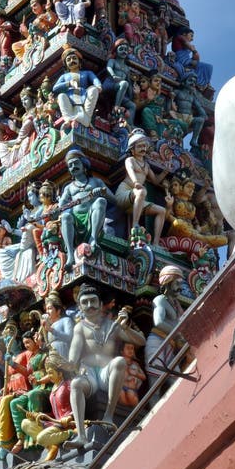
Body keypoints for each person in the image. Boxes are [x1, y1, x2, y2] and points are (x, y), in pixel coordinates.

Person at [67, 285, 146, 448]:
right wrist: (70, 365)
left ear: (100, 303)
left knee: (119, 362)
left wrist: (125, 327)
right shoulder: (80, 328)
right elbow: (72, 357)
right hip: (88, 373)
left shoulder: (111, 325)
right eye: (85, 302)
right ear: (80, 307)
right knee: (75, 384)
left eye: (93, 301)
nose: (90, 306)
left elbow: (141, 341)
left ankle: (108, 416)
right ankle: (81, 435)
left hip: (106, 373)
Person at [59, 148, 113, 267]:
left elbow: (113, 199)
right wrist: (59, 208)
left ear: (84, 165)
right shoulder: (69, 187)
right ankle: (70, 254)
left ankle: (93, 239)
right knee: (66, 216)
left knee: (100, 201)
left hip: (92, 217)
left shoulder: (96, 182)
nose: (73, 167)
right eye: (70, 165)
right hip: (75, 220)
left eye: (76, 163)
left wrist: (102, 192)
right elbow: (61, 206)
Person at [115, 128, 169, 246]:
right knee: (141, 191)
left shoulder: (146, 166)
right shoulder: (130, 160)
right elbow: (130, 171)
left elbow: (155, 181)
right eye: (139, 146)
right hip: (124, 193)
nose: (143, 149)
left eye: (144, 146)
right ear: (132, 150)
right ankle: (135, 224)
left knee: (162, 211)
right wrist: (136, 183)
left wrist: (165, 173)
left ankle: (155, 243)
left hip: (137, 199)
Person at [20, 351, 75, 460]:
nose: (49, 376)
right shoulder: (54, 388)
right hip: (55, 423)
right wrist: (40, 415)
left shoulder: (68, 385)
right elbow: (55, 413)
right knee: (25, 423)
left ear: (60, 373)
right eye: (47, 373)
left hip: (67, 424)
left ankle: (71, 433)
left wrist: (70, 417)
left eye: (51, 373)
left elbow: (79, 404)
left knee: (41, 438)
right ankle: (51, 446)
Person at [145, 265, 186, 399]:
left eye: (181, 283)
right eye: (177, 283)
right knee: (155, 386)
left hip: (169, 345)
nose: (180, 287)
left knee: (177, 382)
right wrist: (178, 334)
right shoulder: (160, 300)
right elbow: (159, 322)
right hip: (157, 343)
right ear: (168, 282)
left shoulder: (175, 303)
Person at [52, 47, 101, 131]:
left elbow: (95, 81)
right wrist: (68, 83)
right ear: (66, 64)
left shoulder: (87, 73)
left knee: (93, 89)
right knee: (61, 96)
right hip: (70, 98)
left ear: (79, 61)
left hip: (84, 97)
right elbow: (55, 88)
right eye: (68, 60)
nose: (72, 61)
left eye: (74, 58)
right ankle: (68, 119)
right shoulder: (64, 76)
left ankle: (87, 118)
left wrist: (98, 86)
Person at [41, 291, 74, 359]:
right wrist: (40, 343)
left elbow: (69, 337)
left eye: (49, 308)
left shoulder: (66, 320)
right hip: (54, 359)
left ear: (58, 310)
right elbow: (49, 346)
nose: (47, 312)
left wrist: (51, 330)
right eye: (46, 309)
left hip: (66, 357)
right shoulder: (51, 326)